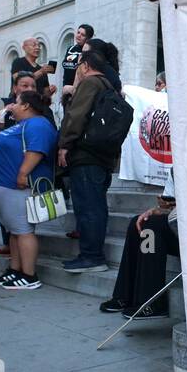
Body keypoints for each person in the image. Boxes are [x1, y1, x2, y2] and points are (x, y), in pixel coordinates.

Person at [0, 90, 58, 290]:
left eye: (16, 102)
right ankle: (15, 271)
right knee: (15, 232)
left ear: (26, 106)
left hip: (18, 187)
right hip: (2, 187)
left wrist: (23, 173)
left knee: (23, 231)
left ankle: (29, 276)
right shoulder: (19, 125)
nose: (11, 106)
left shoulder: (38, 123)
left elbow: (36, 150)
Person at [58, 50, 120, 274]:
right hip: (103, 157)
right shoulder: (108, 85)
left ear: (84, 66)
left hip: (86, 157)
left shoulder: (91, 83)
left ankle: (92, 256)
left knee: (88, 207)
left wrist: (64, 144)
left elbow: (76, 115)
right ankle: (91, 254)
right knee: (95, 205)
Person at [102, 169, 177, 320]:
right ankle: (125, 295)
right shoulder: (177, 168)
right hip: (179, 224)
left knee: (153, 227)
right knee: (141, 223)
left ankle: (152, 302)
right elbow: (169, 206)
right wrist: (159, 209)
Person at [60, 24, 94, 110]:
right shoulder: (70, 49)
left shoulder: (90, 52)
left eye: (82, 35)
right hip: (67, 91)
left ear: (88, 38)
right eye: (78, 32)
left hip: (80, 92)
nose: (78, 35)